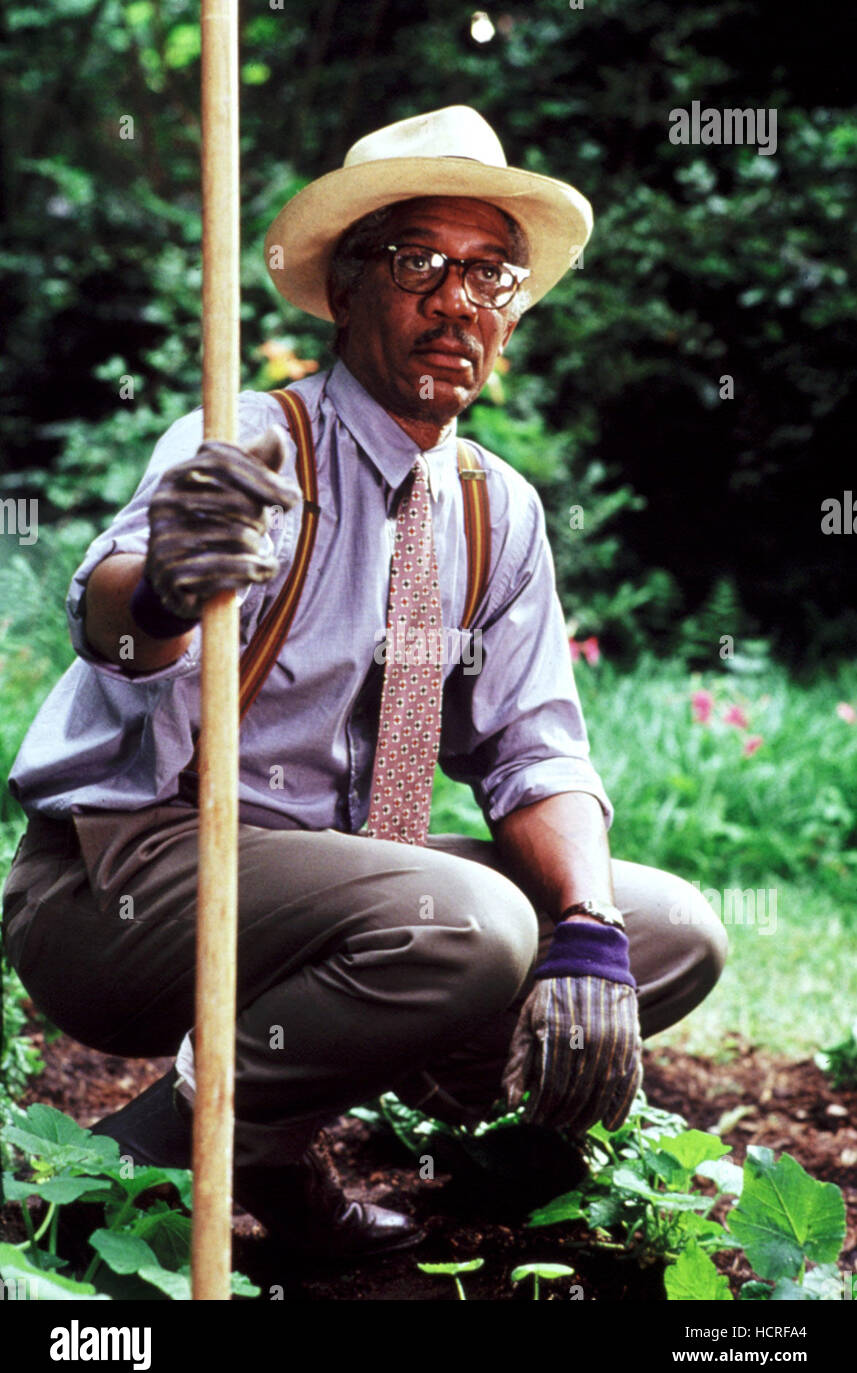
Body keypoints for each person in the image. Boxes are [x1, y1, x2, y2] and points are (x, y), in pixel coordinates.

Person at [2, 107, 727, 1260]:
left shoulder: (497, 509)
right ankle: (146, 1162)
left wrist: (585, 929)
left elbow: (532, 752)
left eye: (489, 272)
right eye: (416, 263)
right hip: (121, 884)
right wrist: (165, 591)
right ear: (346, 290)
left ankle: (486, 1172)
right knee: (469, 924)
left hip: (336, 897)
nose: (456, 299)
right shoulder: (252, 440)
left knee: (668, 930)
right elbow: (114, 621)